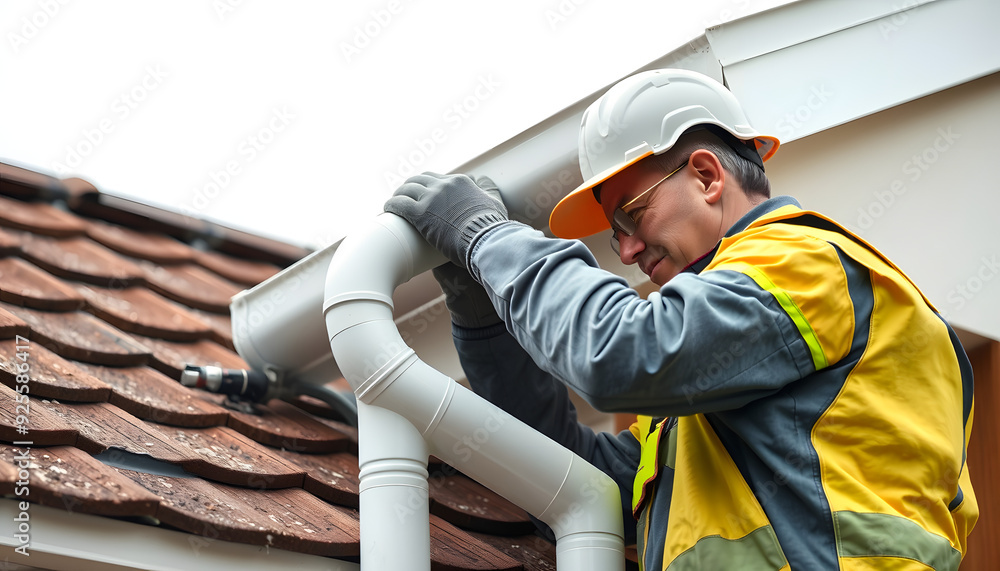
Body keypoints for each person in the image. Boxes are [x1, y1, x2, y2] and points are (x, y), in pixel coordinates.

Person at [384, 68, 978, 570]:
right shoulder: (705, 400)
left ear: (707, 176)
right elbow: (571, 475)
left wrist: (487, 238)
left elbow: (620, 353)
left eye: (632, 217)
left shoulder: (804, 263)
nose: (628, 252)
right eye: (615, 236)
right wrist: (482, 316)